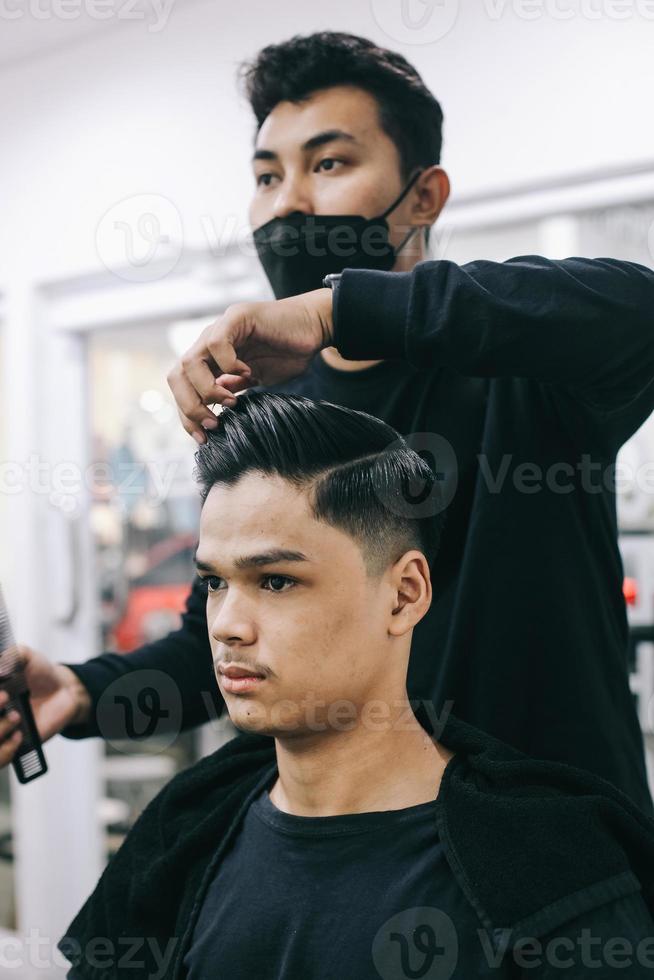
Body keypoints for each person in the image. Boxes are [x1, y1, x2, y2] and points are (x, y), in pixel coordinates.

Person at [4, 32, 654, 812]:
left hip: (550, 843)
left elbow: (639, 312)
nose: (288, 203)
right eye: (266, 176)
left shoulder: (530, 383)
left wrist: (332, 311)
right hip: (356, 844)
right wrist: (82, 692)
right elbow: (220, 651)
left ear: (423, 197)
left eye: (330, 164)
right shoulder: (267, 418)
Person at [58, 393, 654, 980]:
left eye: (277, 581)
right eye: (215, 583)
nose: (227, 626)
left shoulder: (547, 878)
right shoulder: (181, 838)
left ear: (404, 595)